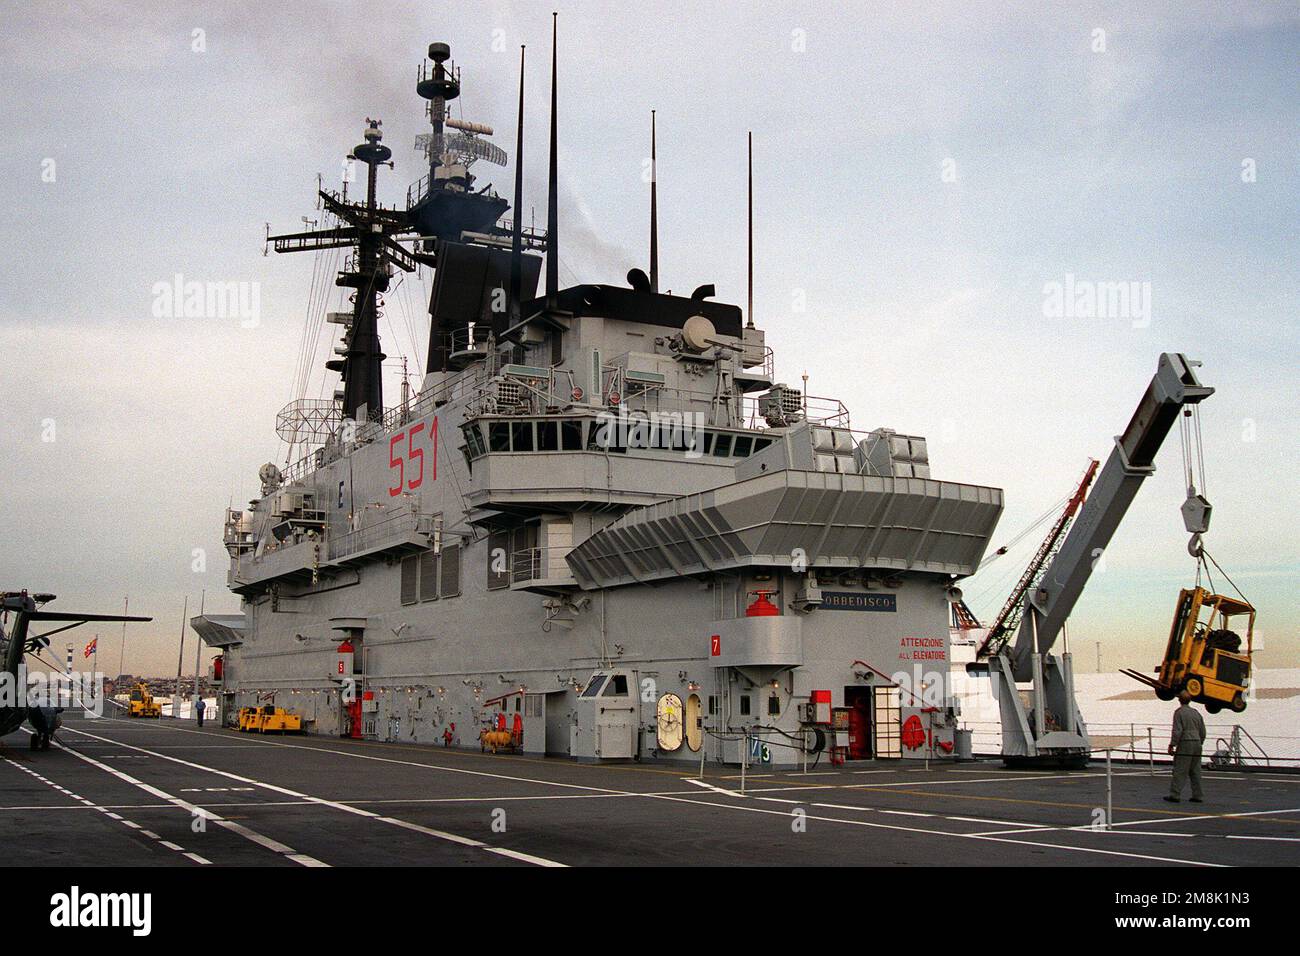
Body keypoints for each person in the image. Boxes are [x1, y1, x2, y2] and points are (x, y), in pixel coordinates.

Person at [1164, 689, 1206, 803]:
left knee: (1180, 769)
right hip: (1197, 742)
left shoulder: (1179, 712)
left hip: (1185, 742)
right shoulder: (1196, 713)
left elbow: (1177, 730)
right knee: (1196, 770)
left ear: (1179, 700)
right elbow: (1203, 731)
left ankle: (1175, 794)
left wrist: (1172, 744)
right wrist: (1200, 741)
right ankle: (1198, 795)